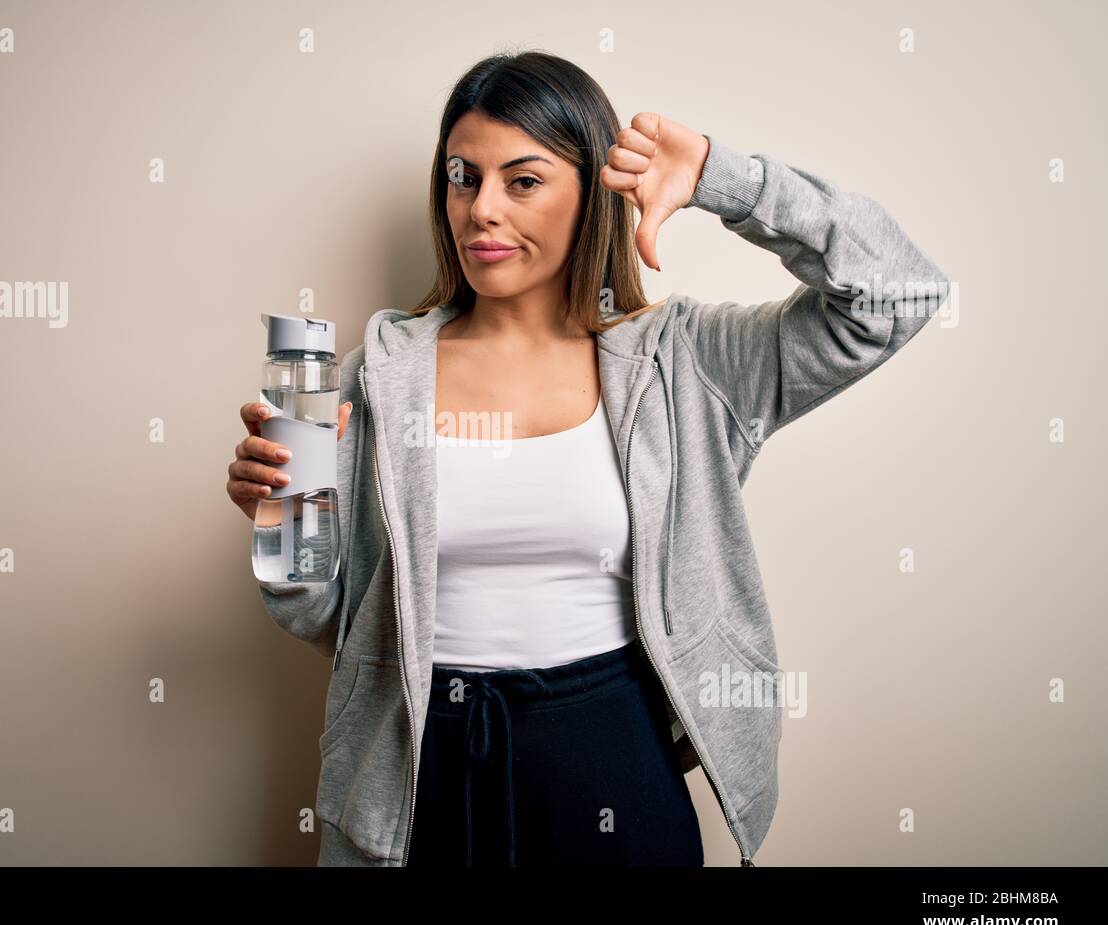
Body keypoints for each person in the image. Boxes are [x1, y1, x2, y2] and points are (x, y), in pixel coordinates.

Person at [228, 50, 950, 866]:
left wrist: (724, 178)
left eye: (523, 180)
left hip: (610, 754)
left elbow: (899, 293)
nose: (481, 210)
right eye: (463, 177)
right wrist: (281, 526)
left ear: (593, 189)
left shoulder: (687, 364)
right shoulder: (368, 373)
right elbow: (320, 619)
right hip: (416, 765)